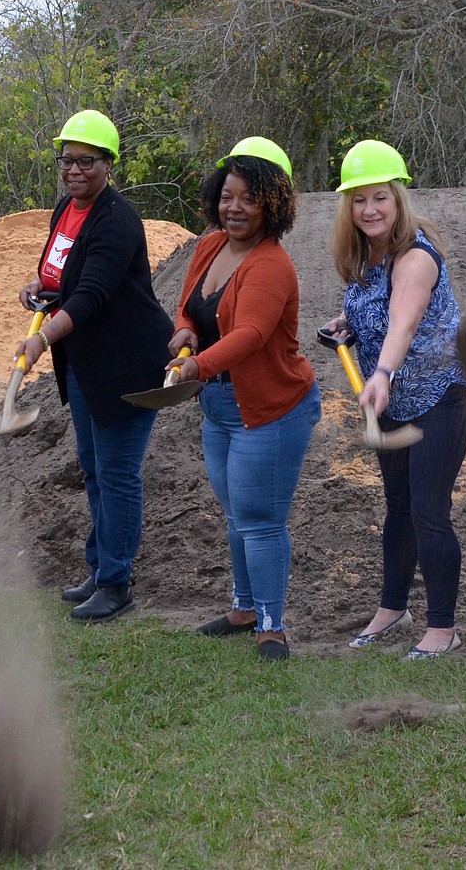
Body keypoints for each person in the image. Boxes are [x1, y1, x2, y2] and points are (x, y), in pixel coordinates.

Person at [16, 110, 175, 623]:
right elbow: (64, 278)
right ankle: (101, 565)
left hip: (126, 363)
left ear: (109, 165)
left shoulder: (117, 221)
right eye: (68, 160)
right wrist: (38, 288)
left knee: (118, 472)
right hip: (86, 363)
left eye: (88, 161)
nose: (75, 170)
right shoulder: (65, 209)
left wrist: (42, 335)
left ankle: (117, 583)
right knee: (93, 468)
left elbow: (90, 295)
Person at [167, 138, 321, 661]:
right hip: (219, 407)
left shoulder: (270, 265)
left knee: (259, 517)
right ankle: (244, 607)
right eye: (228, 196)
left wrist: (197, 365)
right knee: (237, 514)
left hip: (271, 409)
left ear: (272, 204)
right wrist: (185, 332)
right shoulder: (209, 247)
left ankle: (272, 627)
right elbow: (189, 307)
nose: (234, 208)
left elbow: (251, 333)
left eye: (249, 199)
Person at [327, 141, 466, 660]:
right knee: (398, 506)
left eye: (380, 198)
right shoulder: (367, 254)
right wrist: (348, 323)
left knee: (429, 508)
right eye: (359, 200)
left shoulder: (414, 256)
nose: (370, 209)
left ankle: (444, 627)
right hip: (389, 396)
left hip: (441, 393)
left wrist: (384, 370)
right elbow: (378, 308)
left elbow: (405, 319)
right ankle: (393, 608)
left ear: (398, 200)